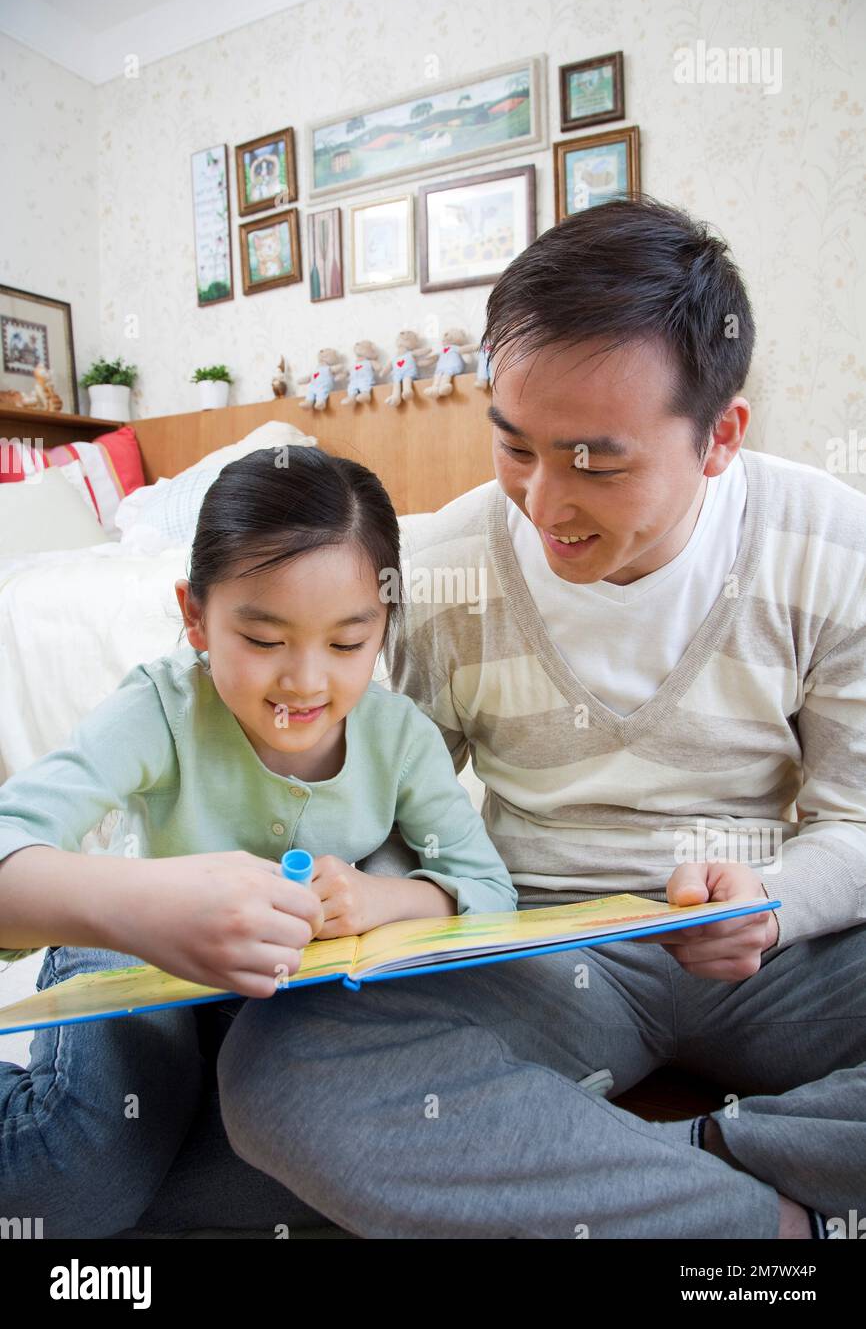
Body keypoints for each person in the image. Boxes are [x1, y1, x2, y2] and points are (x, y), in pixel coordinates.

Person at [214, 194, 866, 1240]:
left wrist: (774, 901)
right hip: (540, 950)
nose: (542, 500)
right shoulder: (437, 569)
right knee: (277, 1067)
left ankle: (674, 1163)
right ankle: (773, 1226)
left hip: (769, 949)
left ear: (720, 437)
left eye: (594, 460)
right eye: (513, 445)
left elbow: (855, 820)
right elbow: (399, 811)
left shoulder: (831, 545)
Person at [0, 446, 517, 1238]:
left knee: (310, 1174)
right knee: (68, 1179)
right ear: (195, 614)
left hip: (270, 1020)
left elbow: (490, 892)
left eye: (348, 644)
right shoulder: (163, 710)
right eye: (265, 640)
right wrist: (147, 904)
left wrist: (383, 898)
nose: (307, 683)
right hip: (136, 963)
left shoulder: (396, 736)